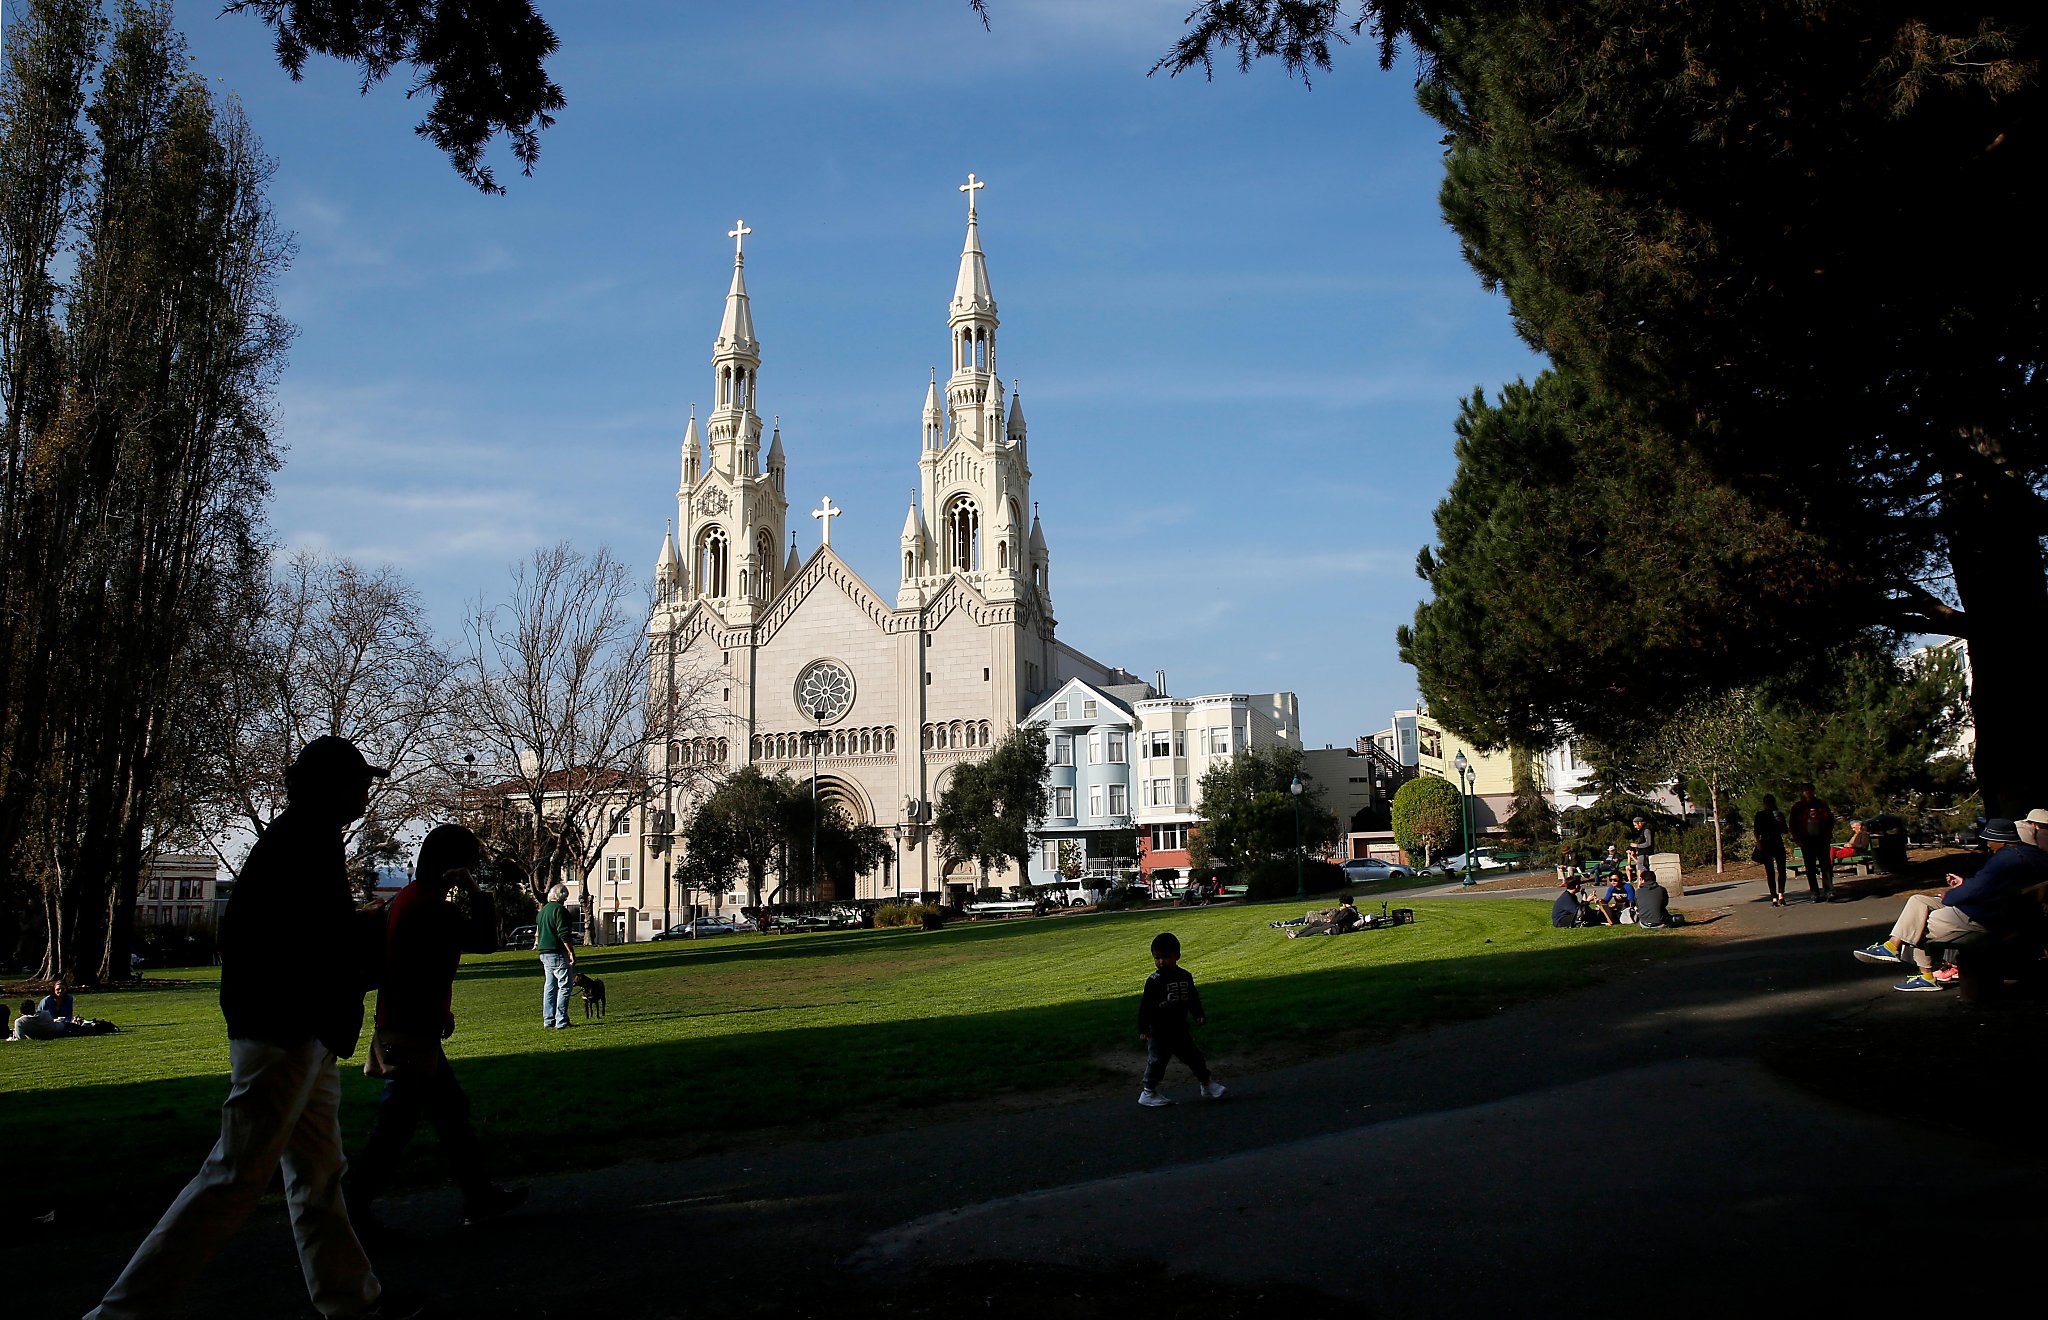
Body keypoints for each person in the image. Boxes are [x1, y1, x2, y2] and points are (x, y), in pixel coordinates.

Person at [87, 735, 400, 1320]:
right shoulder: (306, 845)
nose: (367, 791)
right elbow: (310, 946)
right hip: (288, 1033)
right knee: (235, 1175)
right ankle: (120, 1314)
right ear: (335, 788)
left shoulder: (299, 840)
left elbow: (293, 937)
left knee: (319, 1176)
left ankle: (354, 1302)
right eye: (360, 781)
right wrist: (370, 936)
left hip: (298, 1032)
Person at [347, 825, 526, 1236]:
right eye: (471, 863)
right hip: (412, 1030)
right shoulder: (431, 907)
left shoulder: (408, 900)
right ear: (456, 867)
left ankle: (479, 1196)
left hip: (408, 1023)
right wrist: (476, 894)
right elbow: (484, 941)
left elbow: (416, 963)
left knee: (447, 1113)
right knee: (398, 1125)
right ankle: (350, 1208)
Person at [1853, 817, 2048, 992]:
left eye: (1990, 838)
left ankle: (1925, 975)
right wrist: (1964, 884)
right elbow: (1986, 885)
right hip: (2008, 912)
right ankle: (1891, 946)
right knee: (1918, 901)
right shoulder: (2032, 855)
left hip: (1985, 918)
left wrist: (1949, 895)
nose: (1988, 843)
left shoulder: (2004, 860)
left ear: (2000, 839)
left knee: (1920, 922)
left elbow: (1978, 890)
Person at [1137, 931, 1223, 1107]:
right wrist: (1143, 1028)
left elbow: (1192, 997)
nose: (1161, 962)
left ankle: (1206, 1083)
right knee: (1157, 1061)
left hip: (1179, 1027)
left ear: (1177, 956)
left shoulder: (1185, 976)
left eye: (1165, 957)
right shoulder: (1154, 981)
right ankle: (1148, 1092)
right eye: (1157, 958)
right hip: (1159, 1030)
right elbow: (1145, 1006)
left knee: (1194, 1056)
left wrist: (1198, 1013)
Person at [536, 882, 576, 1030]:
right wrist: (571, 952)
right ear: (561, 897)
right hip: (557, 952)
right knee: (565, 986)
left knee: (550, 986)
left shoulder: (542, 911)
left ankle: (548, 1020)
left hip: (544, 952)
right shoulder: (560, 911)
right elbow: (564, 934)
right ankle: (561, 1020)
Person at [1788, 783, 1836, 902]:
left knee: (1825, 865)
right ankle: (1814, 892)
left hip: (1822, 839)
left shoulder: (1821, 804)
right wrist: (1797, 839)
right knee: (1810, 867)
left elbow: (1830, 819)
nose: (1808, 792)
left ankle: (1829, 890)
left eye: (1810, 790)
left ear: (1813, 791)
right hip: (1807, 840)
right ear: (1802, 792)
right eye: (1805, 790)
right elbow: (1792, 824)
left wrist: (1828, 834)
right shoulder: (1798, 807)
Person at [1752, 794, 1790, 906]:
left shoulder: (1779, 814)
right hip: (1766, 843)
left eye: (1771, 802)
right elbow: (1756, 831)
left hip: (1777, 842)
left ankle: (1781, 894)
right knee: (1770, 871)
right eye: (1767, 802)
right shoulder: (1760, 815)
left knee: (1782, 869)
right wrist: (1759, 844)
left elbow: (1785, 830)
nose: (1769, 804)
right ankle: (1774, 897)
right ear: (1764, 804)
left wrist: (1780, 821)